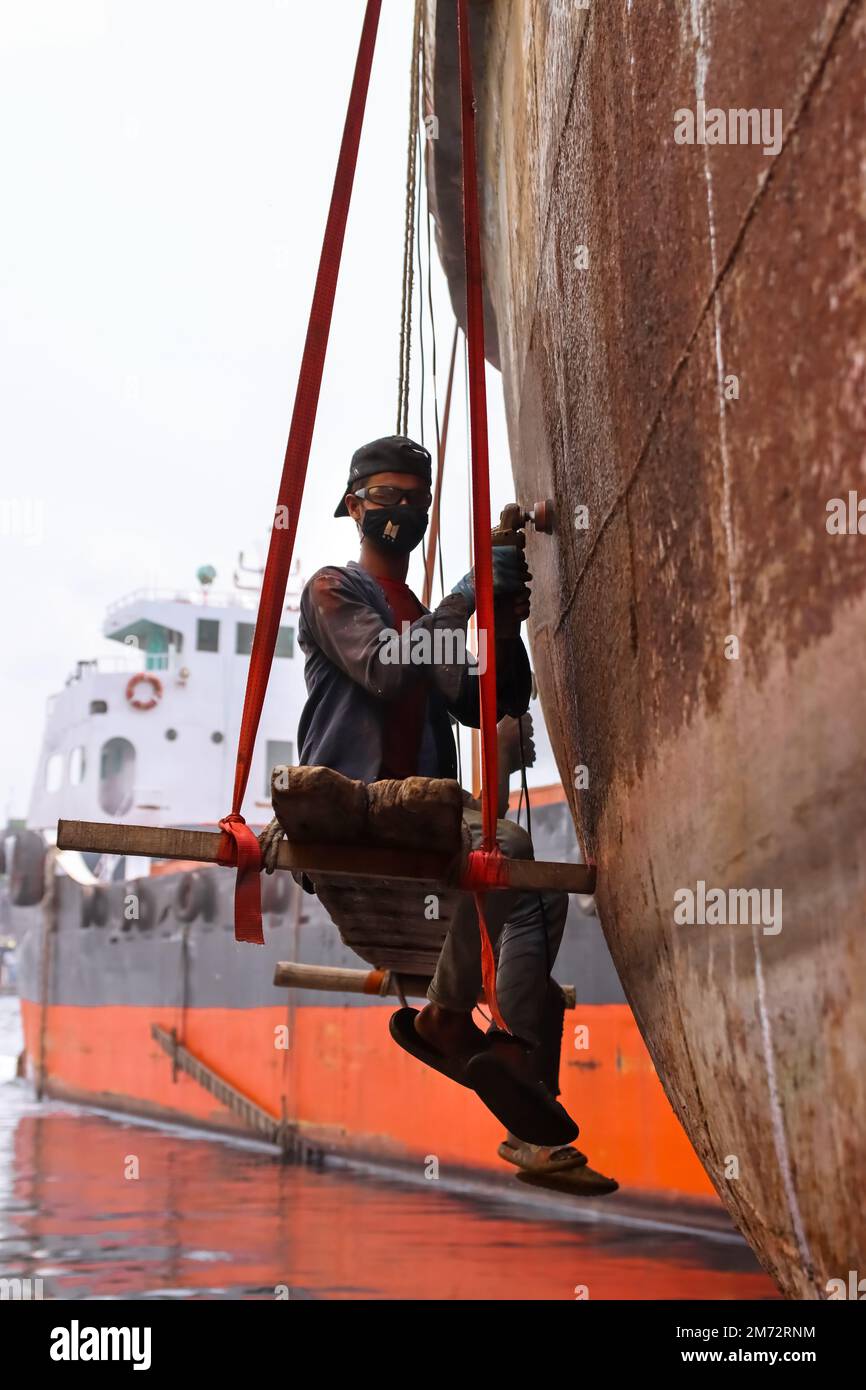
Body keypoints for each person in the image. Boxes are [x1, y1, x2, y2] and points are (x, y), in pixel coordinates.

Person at [272, 434, 582, 1151]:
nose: (403, 510)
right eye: (387, 497)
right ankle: (446, 1019)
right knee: (507, 847)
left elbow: (478, 699)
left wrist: (501, 617)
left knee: (537, 887)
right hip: (356, 800)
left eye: (416, 499)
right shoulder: (332, 589)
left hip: (419, 806)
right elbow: (385, 665)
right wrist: (466, 595)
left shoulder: (416, 610)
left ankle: (525, 1077)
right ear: (354, 507)